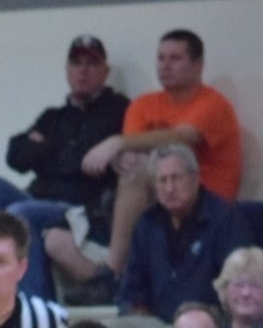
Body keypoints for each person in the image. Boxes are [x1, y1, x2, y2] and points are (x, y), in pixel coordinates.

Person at [0, 35, 129, 301]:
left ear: (105, 71)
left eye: (91, 63)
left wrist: (48, 151)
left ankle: (36, 309)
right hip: (40, 199)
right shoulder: (53, 116)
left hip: (80, 210)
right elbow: (16, 156)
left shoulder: (119, 111)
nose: (83, 70)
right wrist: (70, 156)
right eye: (76, 63)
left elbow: (82, 166)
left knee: (19, 213)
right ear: (67, 70)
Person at [83, 29, 243, 276]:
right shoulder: (143, 104)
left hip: (208, 200)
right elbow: (131, 152)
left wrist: (117, 142)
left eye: (175, 58)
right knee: (134, 166)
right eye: (161, 58)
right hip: (161, 195)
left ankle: (111, 272)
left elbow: (183, 137)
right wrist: (124, 149)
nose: (165, 66)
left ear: (198, 65)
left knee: (137, 171)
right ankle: (119, 275)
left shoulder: (213, 104)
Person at [108, 144, 251, 328]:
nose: (169, 188)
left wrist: (197, 323)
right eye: (162, 181)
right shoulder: (148, 223)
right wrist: (137, 311)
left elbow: (237, 287)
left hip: (209, 326)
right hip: (161, 322)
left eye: (176, 178)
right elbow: (134, 288)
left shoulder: (225, 218)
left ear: (195, 178)